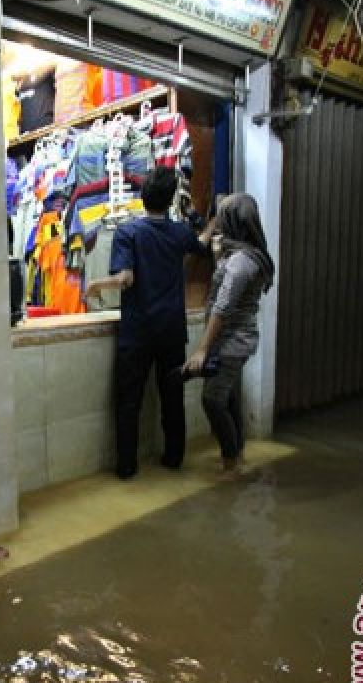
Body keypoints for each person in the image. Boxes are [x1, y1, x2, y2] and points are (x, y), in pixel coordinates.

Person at [85, 166, 215, 479]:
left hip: (138, 331)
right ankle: (174, 459)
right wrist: (211, 221)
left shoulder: (128, 233)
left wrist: (96, 285)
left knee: (129, 401)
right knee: (172, 398)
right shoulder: (180, 233)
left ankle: (127, 468)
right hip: (171, 330)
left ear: (143, 196)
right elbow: (203, 245)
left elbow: (125, 278)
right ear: (170, 199)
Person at [180, 193, 274, 476]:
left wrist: (202, 350)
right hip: (236, 338)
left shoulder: (240, 262)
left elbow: (222, 307)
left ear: (234, 223)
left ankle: (231, 463)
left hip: (232, 341)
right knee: (228, 395)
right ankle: (238, 453)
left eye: (223, 217)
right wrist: (218, 255)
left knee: (212, 400)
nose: (218, 223)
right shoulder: (245, 254)